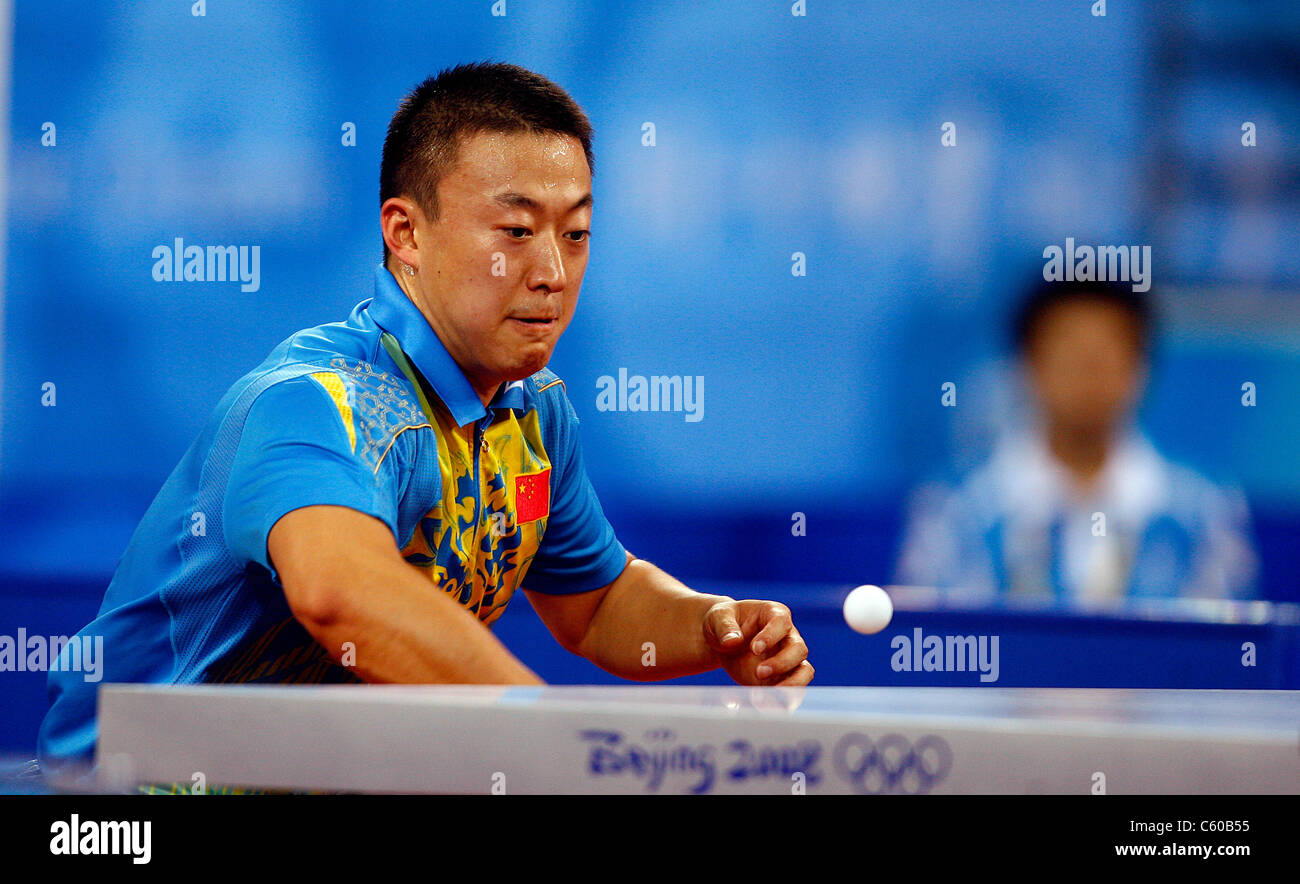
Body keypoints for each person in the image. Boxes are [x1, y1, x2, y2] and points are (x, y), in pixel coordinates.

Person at [39, 62, 812, 774]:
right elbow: (340, 592)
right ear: (405, 234)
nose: (551, 272)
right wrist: (551, 740)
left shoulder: (534, 416)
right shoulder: (318, 402)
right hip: (131, 790)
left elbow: (599, 604)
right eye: (516, 231)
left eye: (574, 234)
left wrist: (714, 623)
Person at [895, 278, 1257, 601]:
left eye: (1106, 355)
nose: (1089, 373)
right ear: (1026, 365)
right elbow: (932, 643)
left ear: (1142, 368)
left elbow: (1224, 660)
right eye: (1069, 352)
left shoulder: (1203, 509)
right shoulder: (956, 506)